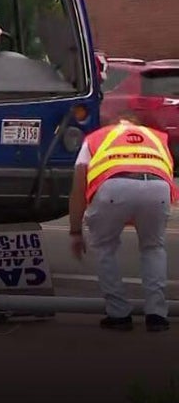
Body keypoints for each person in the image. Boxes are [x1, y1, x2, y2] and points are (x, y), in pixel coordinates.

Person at [69, 114, 176, 332]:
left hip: (114, 188)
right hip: (158, 189)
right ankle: (156, 315)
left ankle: (119, 314)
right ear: (137, 125)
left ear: (114, 124)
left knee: (105, 248)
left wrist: (75, 231)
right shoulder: (157, 138)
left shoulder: (97, 137)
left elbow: (79, 188)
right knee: (153, 247)